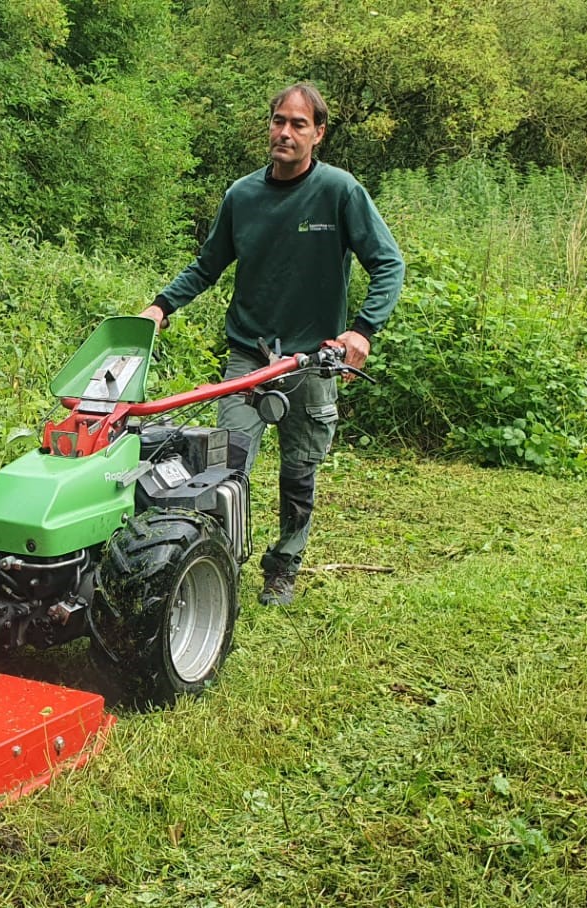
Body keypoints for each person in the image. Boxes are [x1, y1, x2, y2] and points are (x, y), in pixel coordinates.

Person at [140, 82, 404, 606]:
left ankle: (283, 565)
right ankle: (217, 566)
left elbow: (388, 263)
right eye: (279, 120)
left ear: (318, 133)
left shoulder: (340, 191)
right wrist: (160, 306)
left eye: (298, 124)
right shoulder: (242, 196)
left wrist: (362, 330)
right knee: (224, 467)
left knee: (299, 471)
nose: (285, 132)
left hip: (313, 361)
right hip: (250, 358)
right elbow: (207, 265)